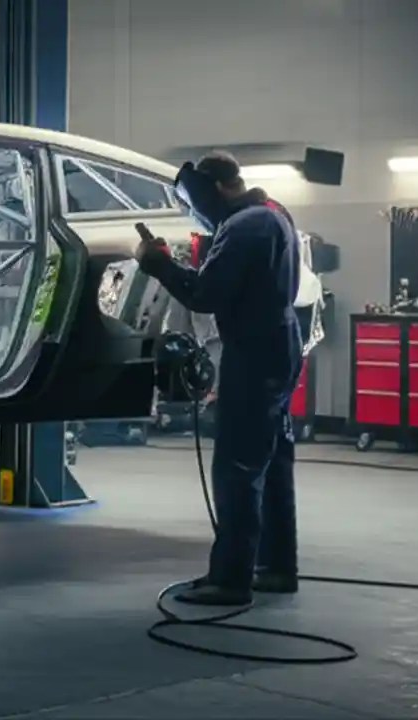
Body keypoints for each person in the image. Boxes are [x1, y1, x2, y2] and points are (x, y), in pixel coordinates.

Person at [136, 151, 302, 606]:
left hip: (255, 352)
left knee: (237, 465)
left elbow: (206, 294)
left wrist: (158, 264)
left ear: (217, 188)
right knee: (272, 461)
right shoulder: (273, 215)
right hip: (279, 344)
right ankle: (276, 568)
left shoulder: (244, 226)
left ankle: (230, 579)